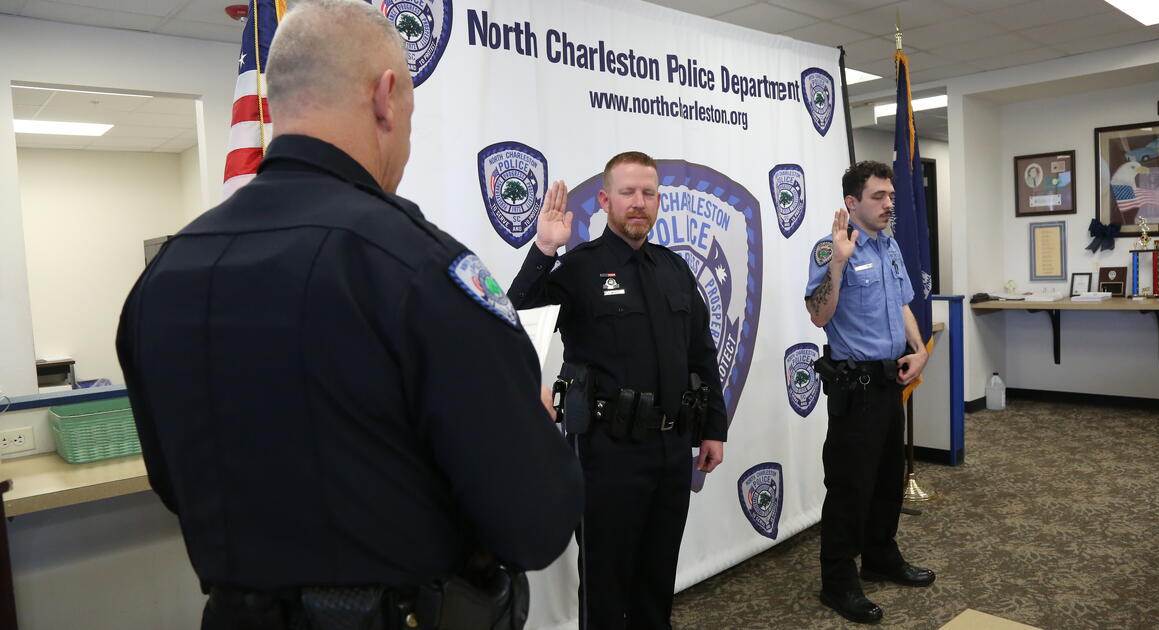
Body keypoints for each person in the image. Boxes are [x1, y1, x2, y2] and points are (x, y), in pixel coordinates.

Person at [115, 2, 583, 628]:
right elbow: (536, 521)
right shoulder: (419, 271)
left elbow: (176, 484)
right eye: (411, 116)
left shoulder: (161, 280)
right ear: (386, 96)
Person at [509, 152, 727, 629]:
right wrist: (544, 251)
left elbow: (701, 353)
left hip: (671, 450)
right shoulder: (579, 268)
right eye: (627, 192)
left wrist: (713, 427)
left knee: (656, 578)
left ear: (658, 202)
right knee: (605, 588)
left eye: (648, 193)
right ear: (606, 200)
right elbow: (519, 321)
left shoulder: (674, 268)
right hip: (607, 452)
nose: (638, 203)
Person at [804, 161, 932, 625]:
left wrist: (920, 350)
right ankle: (837, 581)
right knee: (849, 488)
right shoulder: (829, 248)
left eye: (891, 196)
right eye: (879, 196)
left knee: (885, 480)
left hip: (889, 382)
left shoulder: (890, 245)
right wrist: (837, 262)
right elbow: (819, 315)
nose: (889, 204)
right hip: (854, 389)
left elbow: (902, 304)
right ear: (852, 202)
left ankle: (880, 556)